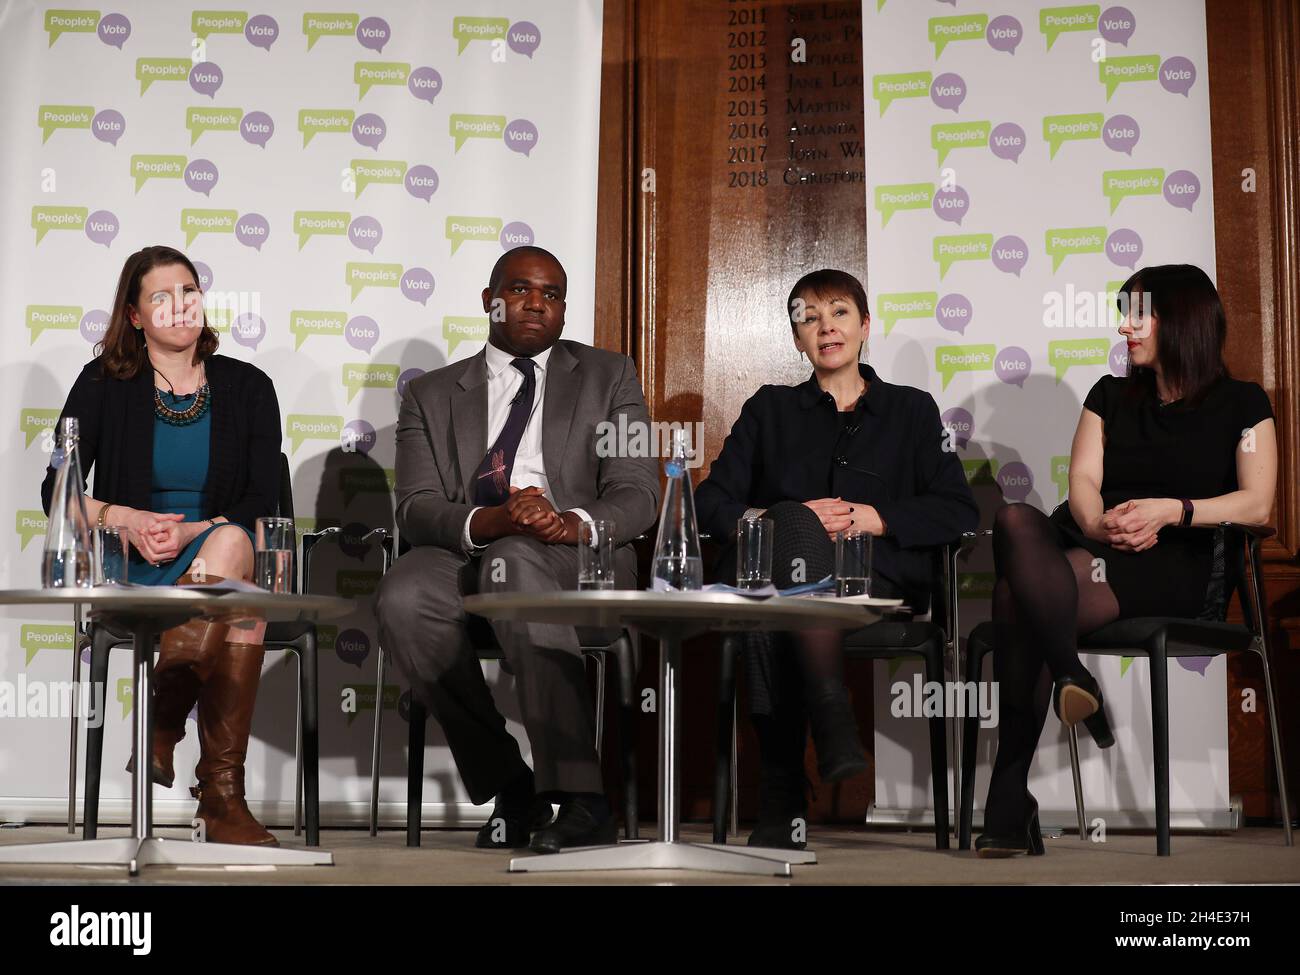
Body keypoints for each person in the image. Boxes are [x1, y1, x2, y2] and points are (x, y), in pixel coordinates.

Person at [976, 264, 1278, 857]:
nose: (1124, 327)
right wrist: (1095, 524)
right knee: (1015, 519)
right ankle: (1070, 673)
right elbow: (1085, 479)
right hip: (1099, 545)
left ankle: (1010, 793)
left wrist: (1173, 511)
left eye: (1138, 314)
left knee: (1018, 599)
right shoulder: (1109, 395)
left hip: (1181, 562)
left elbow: (1257, 501)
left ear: (1181, 319)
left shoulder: (1243, 403)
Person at [376, 245, 660, 853]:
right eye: (522, 289)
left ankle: (583, 798)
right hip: (474, 542)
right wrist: (492, 518)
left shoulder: (612, 377)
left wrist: (570, 522)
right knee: (404, 595)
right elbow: (416, 506)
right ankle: (511, 781)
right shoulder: (429, 394)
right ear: (490, 300)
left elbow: (638, 494)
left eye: (552, 294)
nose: (537, 303)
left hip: (579, 554)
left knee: (515, 560)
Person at [695, 268, 979, 849]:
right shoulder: (769, 410)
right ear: (798, 339)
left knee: (767, 605)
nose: (826, 327)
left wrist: (878, 518)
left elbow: (959, 510)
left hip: (871, 581)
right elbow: (708, 505)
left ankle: (782, 790)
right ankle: (830, 711)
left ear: (865, 325)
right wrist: (778, 518)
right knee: (789, 536)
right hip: (772, 580)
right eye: (809, 317)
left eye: (840, 312)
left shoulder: (911, 411)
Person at [40, 244, 283, 846]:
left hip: (218, 556)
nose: (180, 306)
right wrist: (125, 518)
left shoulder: (249, 387)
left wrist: (194, 532)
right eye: (162, 297)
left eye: (189, 292)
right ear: (135, 316)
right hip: (131, 566)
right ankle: (221, 799)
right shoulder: (102, 385)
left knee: (230, 549)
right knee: (242, 607)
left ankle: (161, 722)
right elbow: (57, 489)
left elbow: (265, 496)